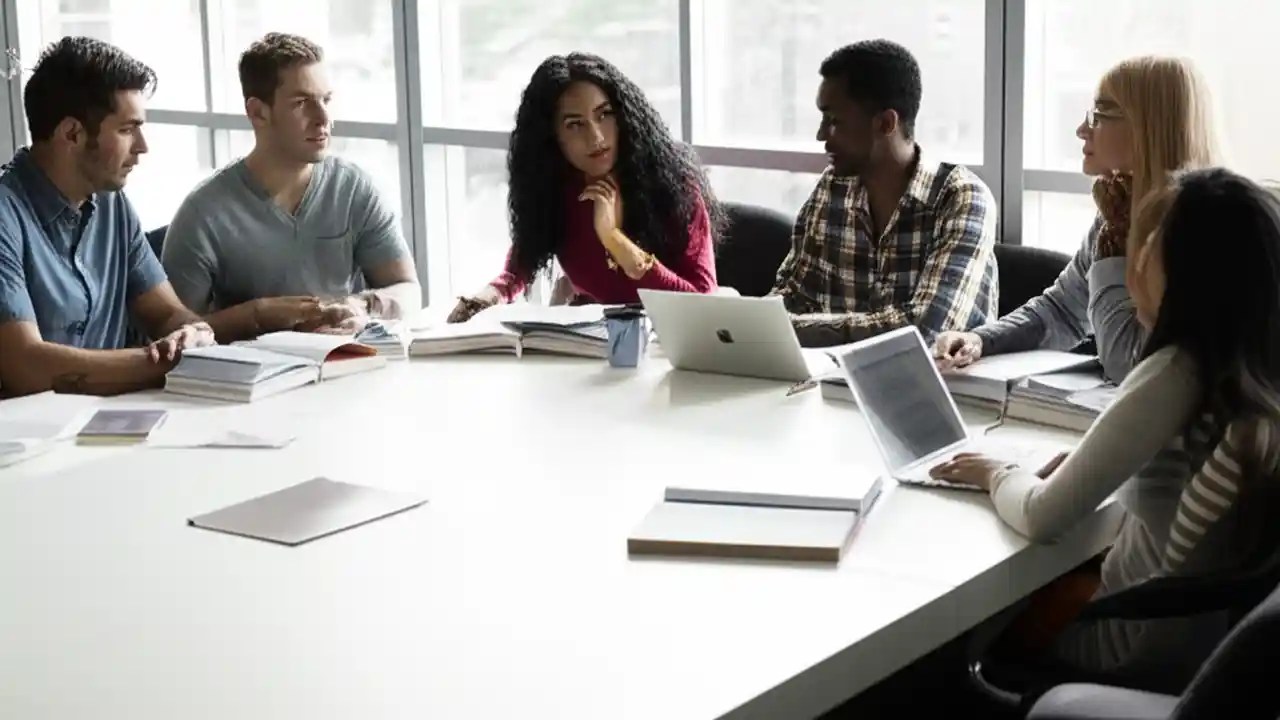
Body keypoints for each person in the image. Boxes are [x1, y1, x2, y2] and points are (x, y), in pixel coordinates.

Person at [931, 168, 1280, 679]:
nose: (1141, 255)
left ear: (1190, 269)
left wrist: (992, 472)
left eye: (1156, 240)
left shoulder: (1176, 372)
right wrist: (1086, 462)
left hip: (1124, 640)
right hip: (1200, 644)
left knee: (947, 630)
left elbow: (1042, 514)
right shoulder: (1252, 370)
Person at [934, 56, 1219, 383]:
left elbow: (1130, 366)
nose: (1082, 129)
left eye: (1099, 115)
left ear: (1146, 127)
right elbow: (1061, 312)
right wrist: (980, 340)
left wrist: (1112, 255)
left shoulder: (1201, 229)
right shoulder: (1118, 213)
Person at [0, 36, 243, 398]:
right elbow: (24, 365)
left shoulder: (113, 205)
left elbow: (165, 314)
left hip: (117, 420)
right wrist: (160, 363)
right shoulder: (6, 214)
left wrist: (192, 333)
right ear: (72, 133)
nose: (143, 146)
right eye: (127, 129)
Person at [163, 33, 420, 335]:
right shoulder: (203, 214)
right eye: (301, 103)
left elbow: (408, 289)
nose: (323, 118)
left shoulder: (354, 189)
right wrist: (257, 317)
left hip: (349, 365)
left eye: (326, 100)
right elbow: (176, 333)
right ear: (258, 112)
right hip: (260, 376)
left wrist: (362, 306)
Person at [446, 52, 722, 323]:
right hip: (591, 349)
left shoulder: (674, 186)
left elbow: (702, 304)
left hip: (668, 354)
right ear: (552, 138)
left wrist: (613, 238)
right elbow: (517, 270)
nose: (597, 137)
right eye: (575, 125)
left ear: (624, 115)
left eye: (604, 115)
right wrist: (479, 302)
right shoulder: (557, 191)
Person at [769, 39, 998, 348]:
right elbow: (791, 297)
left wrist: (791, 329)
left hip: (941, 390)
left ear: (886, 123)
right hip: (833, 384)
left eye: (834, 121)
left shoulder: (961, 199)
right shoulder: (832, 189)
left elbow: (925, 329)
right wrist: (747, 323)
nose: (821, 135)